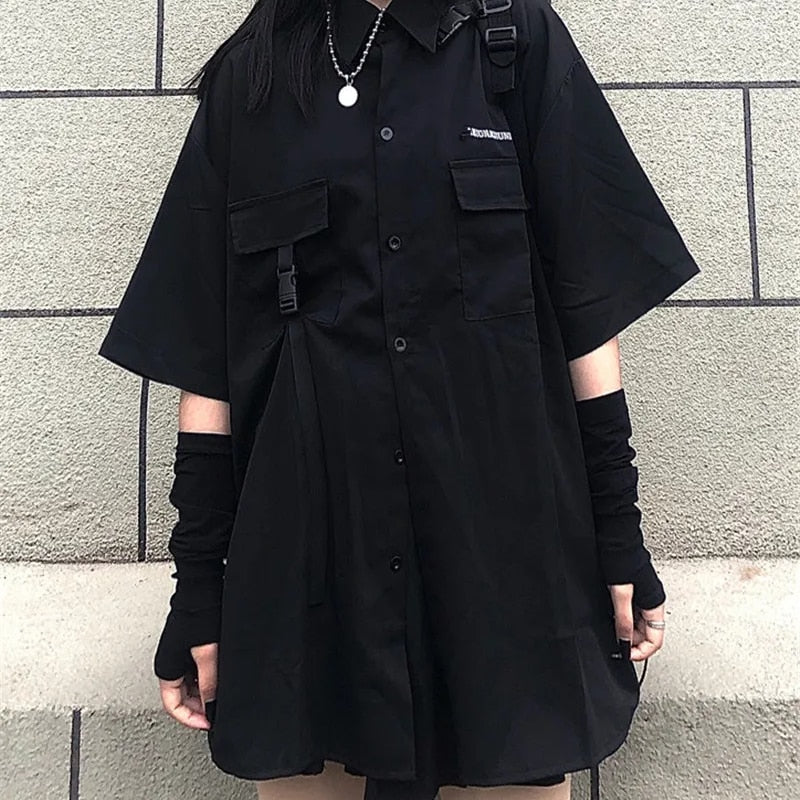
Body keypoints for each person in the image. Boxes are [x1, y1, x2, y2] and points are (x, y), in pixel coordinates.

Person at [97, 0, 700, 799]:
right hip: (314, 593)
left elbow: (588, 321)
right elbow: (209, 367)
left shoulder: (512, 41)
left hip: (503, 582)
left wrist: (619, 536)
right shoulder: (255, 79)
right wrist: (198, 590)